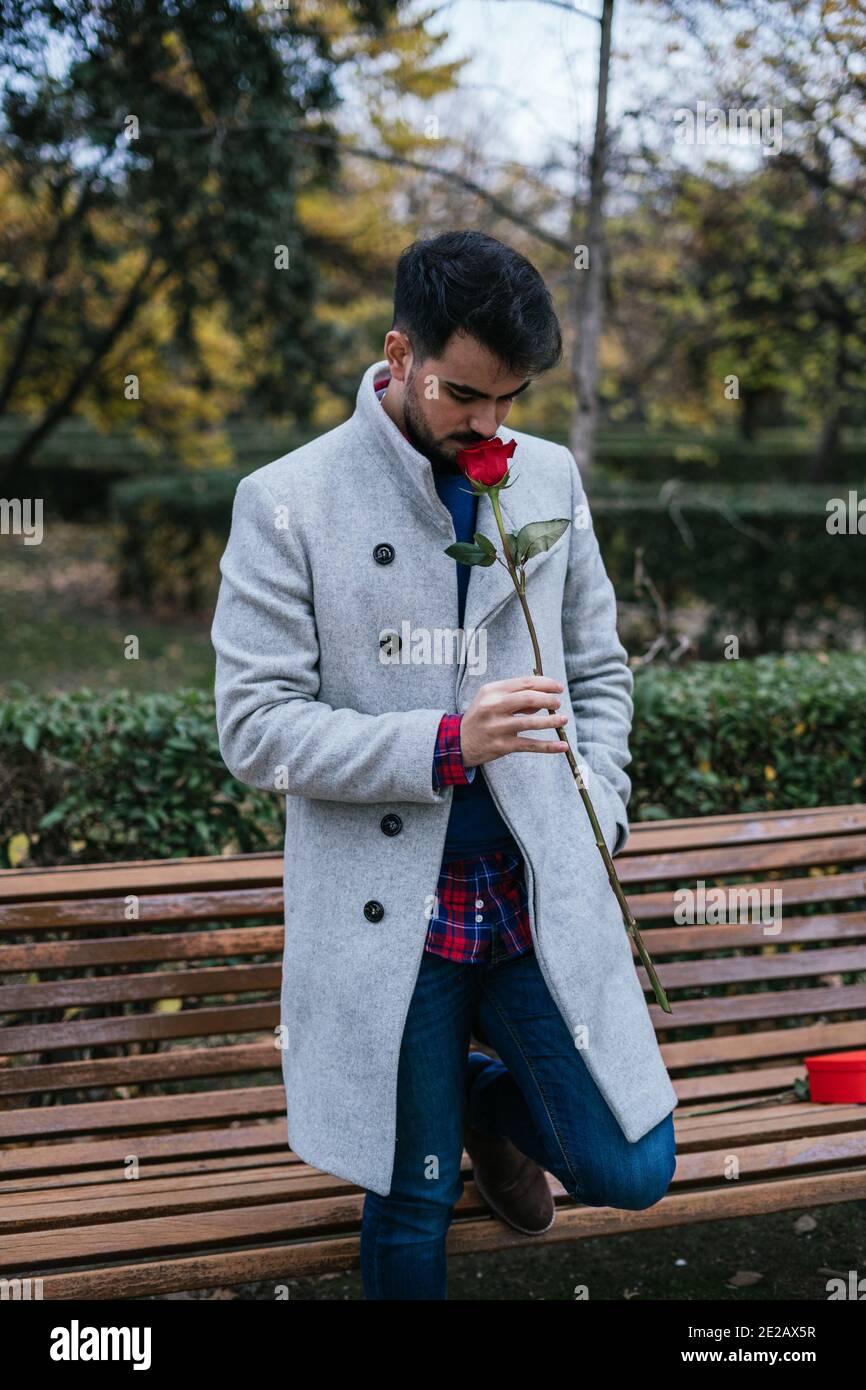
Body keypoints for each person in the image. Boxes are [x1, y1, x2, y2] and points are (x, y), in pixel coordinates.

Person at [211, 229, 678, 1301]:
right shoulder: (287, 499)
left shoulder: (548, 476)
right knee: (412, 1200)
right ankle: (440, 1114)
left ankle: (473, 1102)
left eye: (508, 399)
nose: (489, 425)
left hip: (527, 900)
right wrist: (440, 743)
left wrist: (594, 805)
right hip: (393, 918)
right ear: (399, 350)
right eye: (465, 393)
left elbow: (599, 671)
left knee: (628, 1165)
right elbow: (255, 727)